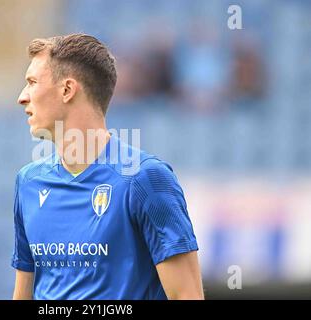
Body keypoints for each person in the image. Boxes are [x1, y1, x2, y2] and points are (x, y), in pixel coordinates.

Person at [12, 33, 204, 300]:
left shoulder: (145, 179)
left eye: (32, 82)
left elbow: (187, 296)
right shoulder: (28, 183)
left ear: (67, 90)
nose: (22, 97)